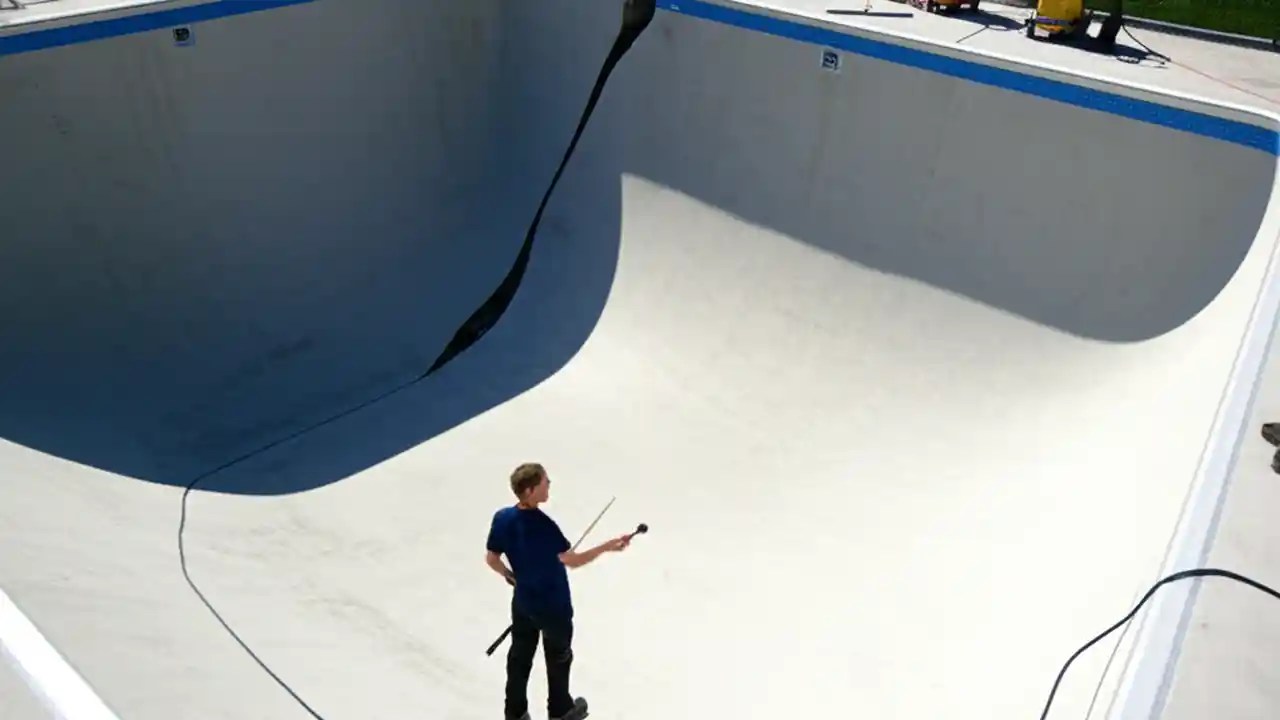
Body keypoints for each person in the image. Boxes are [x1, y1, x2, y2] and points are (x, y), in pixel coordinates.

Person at [485, 463, 631, 720]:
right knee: (559, 659)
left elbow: (492, 559)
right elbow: (572, 561)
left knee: (519, 658)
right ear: (530, 491)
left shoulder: (502, 518)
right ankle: (560, 710)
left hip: (523, 602)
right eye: (544, 482)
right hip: (553, 606)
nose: (549, 484)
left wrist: (512, 577)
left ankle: (515, 712)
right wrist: (607, 546)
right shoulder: (544, 526)